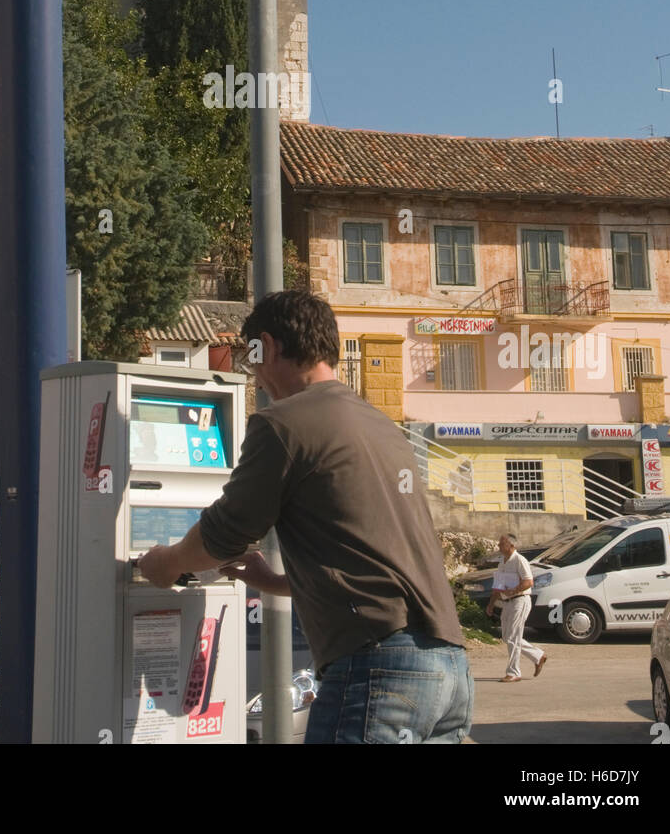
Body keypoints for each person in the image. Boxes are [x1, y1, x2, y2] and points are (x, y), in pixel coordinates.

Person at [138, 290, 473, 744]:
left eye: (251, 355)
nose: (252, 370)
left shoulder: (284, 423)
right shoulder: (380, 427)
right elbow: (375, 558)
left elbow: (224, 533)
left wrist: (167, 562)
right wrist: (275, 582)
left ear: (269, 346)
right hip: (447, 667)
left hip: (377, 665)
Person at [486, 533, 547, 681]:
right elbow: (498, 586)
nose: (499, 546)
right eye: (499, 543)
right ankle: (538, 656)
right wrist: (491, 604)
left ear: (512, 545)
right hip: (507, 603)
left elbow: (528, 582)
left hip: (520, 600)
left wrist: (512, 591)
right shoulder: (502, 563)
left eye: (502, 544)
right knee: (507, 637)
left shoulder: (520, 560)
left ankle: (513, 672)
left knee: (513, 636)